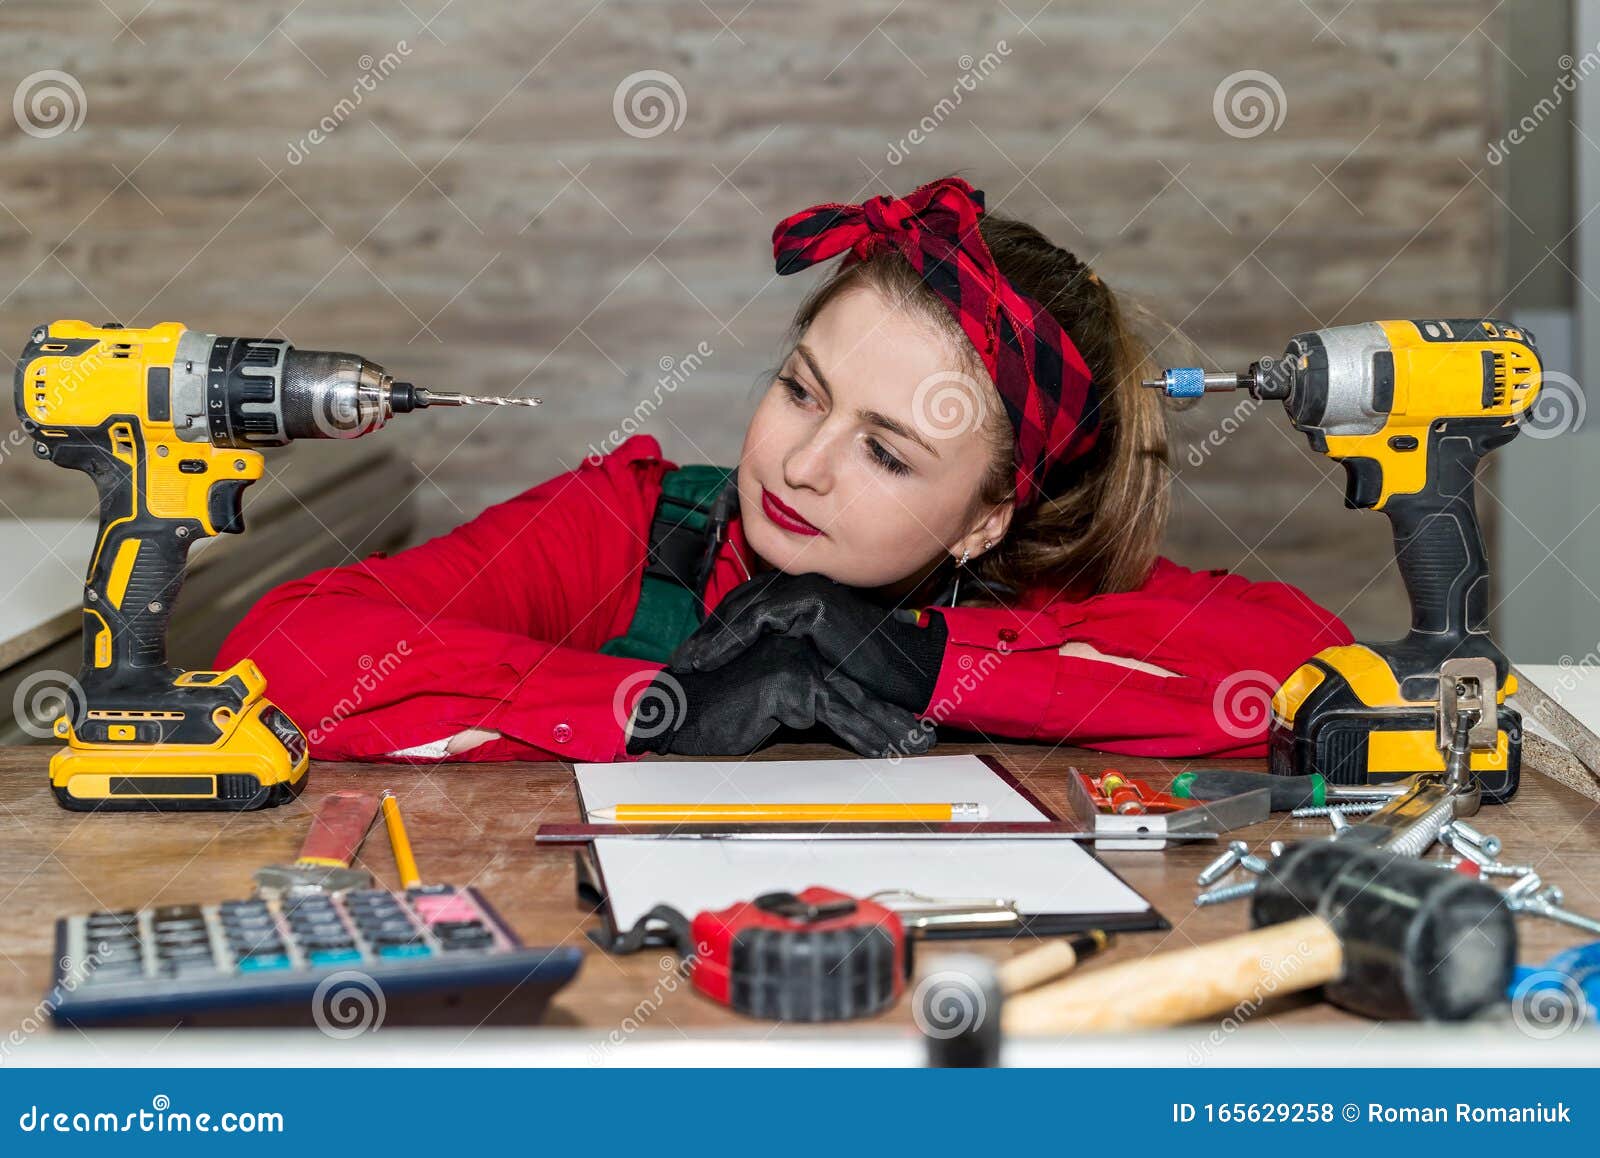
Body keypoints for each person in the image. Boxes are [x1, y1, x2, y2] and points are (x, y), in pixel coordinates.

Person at [216, 175, 1353, 764]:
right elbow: (279, 656)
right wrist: (658, 709)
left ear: (984, 517)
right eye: (801, 390)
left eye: (885, 450)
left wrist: (923, 666)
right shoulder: (633, 528)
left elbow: (1317, 671)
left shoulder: (1025, 602)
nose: (799, 464)